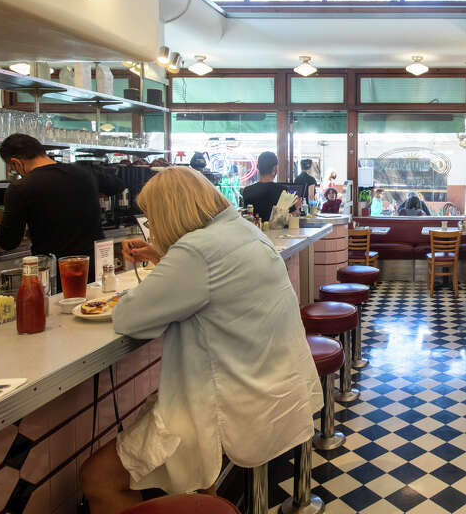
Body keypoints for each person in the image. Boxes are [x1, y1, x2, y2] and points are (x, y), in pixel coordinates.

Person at [79, 167, 322, 514]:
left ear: (168, 213)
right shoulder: (241, 230)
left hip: (226, 404)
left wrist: (169, 260)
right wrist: (163, 257)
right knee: (180, 466)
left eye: (152, 216)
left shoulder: (197, 250)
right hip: (272, 388)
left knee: (97, 478)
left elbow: (130, 317)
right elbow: (211, 281)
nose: (152, 223)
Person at [0, 134, 104, 279]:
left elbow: (8, 241)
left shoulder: (21, 187)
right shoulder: (84, 174)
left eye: (13, 168)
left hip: (56, 273)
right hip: (95, 266)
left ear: (16, 162)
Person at [241, 151, 298, 222]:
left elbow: (246, 216)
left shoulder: (247, 191)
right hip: (278, 232)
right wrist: (296, 207)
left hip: (255, 231)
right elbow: (291, 217)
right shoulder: (283, 191)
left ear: (258, 167)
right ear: (275, 168)